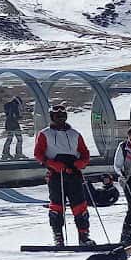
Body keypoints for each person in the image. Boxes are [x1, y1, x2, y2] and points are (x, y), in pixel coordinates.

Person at [33, 104, 92, 247]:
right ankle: (58, 236)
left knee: (80, 205)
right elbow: (38, 154)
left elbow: (85, 153)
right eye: (56, 116)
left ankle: (83, 236)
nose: (60, 118)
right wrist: (51, 164)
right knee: (57, 206)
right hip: (55, 173)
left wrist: (79, 164)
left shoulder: (75, 134)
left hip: (73, 173)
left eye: (62, 115)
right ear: (52, 117)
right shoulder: (44, 134)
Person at [1, 95, 24, 160]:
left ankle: (5, 153)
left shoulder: (7, 105)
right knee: (19, 139)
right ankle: (18, 153)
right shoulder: (15, 106)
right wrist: (20, 117)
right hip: (15, 125)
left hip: (8, 124)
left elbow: (8, 114)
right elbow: (15, 116)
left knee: (9, 139)